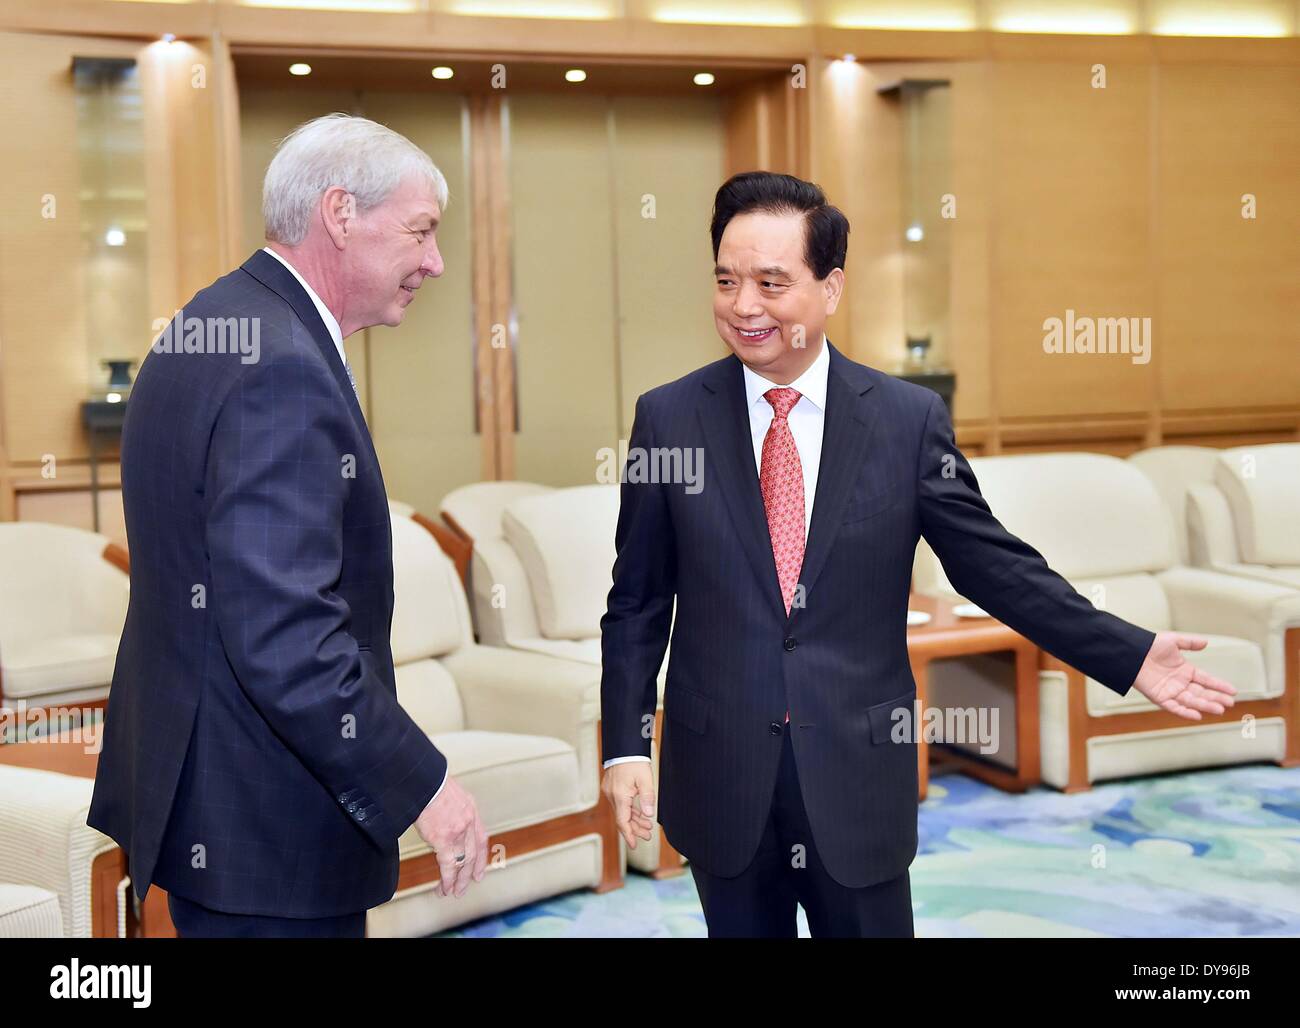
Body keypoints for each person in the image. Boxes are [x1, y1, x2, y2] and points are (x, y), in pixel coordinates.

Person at [598, 171, 1236, 938]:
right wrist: (625, 746)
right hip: (722, 773)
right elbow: (636, 599)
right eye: (727, 280)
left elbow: (990, 564)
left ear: (831, 288)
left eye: (772, 282)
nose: (744, 306)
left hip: (857, 775)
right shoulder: (668, 419)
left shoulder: (904, 422)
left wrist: (1128, 653)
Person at [88, 114, 487, 938]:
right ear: (341, 215)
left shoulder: (208, 322)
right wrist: (424, 787)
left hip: (211, 807)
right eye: (420, 232)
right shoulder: (282, 367)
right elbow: (287, 634)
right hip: (270, 830)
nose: (435, 262)